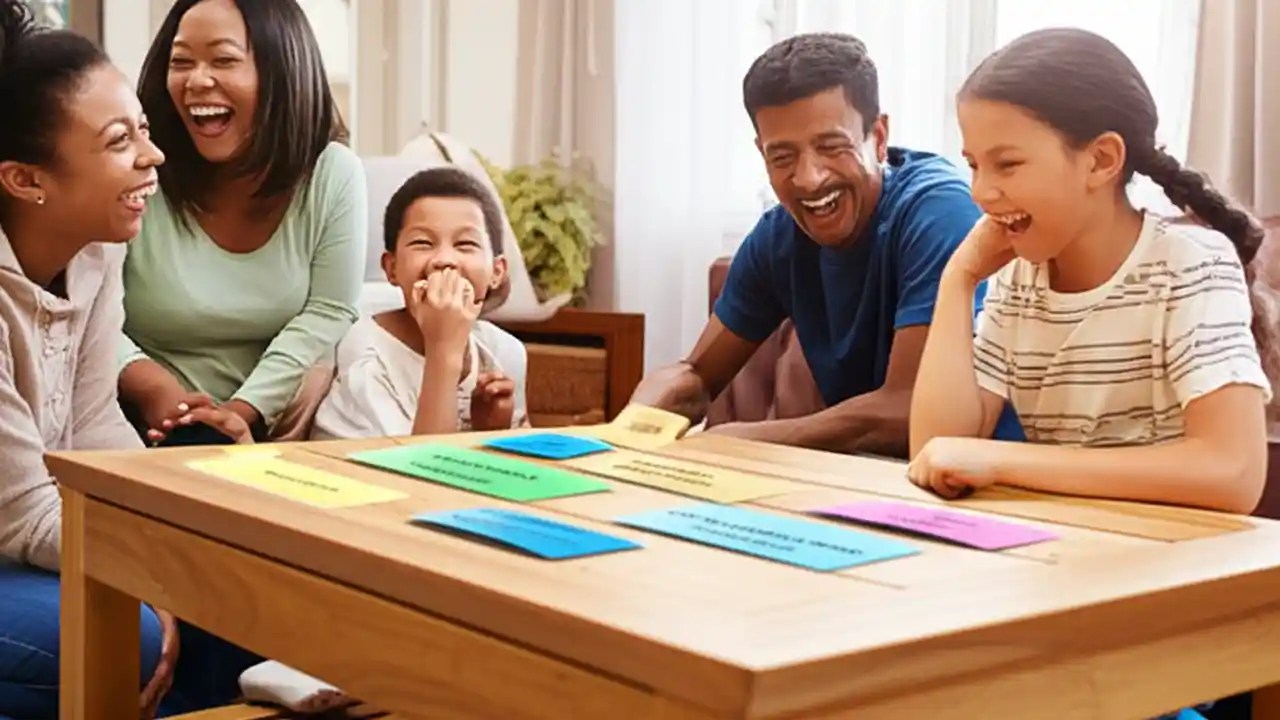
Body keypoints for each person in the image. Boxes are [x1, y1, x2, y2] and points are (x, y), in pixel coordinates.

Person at [0, 3, 256, 717]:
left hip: (31, 538)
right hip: (8, 539)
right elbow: (21, 516)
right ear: (25, 179)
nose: (154, 157)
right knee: (135, 635)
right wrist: (150, 577)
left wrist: (185, 549)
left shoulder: (97, 249)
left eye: (143, 129)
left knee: (234, 593)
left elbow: (97, 435)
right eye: (120, 141)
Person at [907, 27, 1275, 516]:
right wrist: (958, 280)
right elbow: (936, 453)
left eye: (1007, 164)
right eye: (974, 165)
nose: (979, 191)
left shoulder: (1191, 266)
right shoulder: (1020, 281)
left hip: (1175, 565)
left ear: (1101, 161)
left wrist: (1006, 460)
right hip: (1070, 555)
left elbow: (1233, 473)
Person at [628, 32, 983, 458]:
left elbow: (909, 408)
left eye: (831, 147)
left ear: (879, 136)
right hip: (856, 482)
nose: (809, 178)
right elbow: (697, 379)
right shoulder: (777, 237)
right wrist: (627, 430)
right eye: (782, 157)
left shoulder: (938, 211)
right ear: (761, 153)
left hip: (969, 477)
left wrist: (743, 442)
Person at [118, 0, 366, 447]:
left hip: (279, 427)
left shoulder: (333, 173)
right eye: (181, 62)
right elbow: (87, 315)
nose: (196, 80)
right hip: (134, 420)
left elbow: (329, 312)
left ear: (282, 73)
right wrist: (161, 395)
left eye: (224, 59)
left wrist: (241, 412)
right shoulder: (137, 166)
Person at [312, 167, 528, 440]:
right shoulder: (367, 355)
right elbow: (424, 467)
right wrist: (443, 347)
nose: (444, 259)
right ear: (392, 268)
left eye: (464, 244)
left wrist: (491, 431)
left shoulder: (503, 353)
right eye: (423, 243)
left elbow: (518, 453)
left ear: (497, 271)